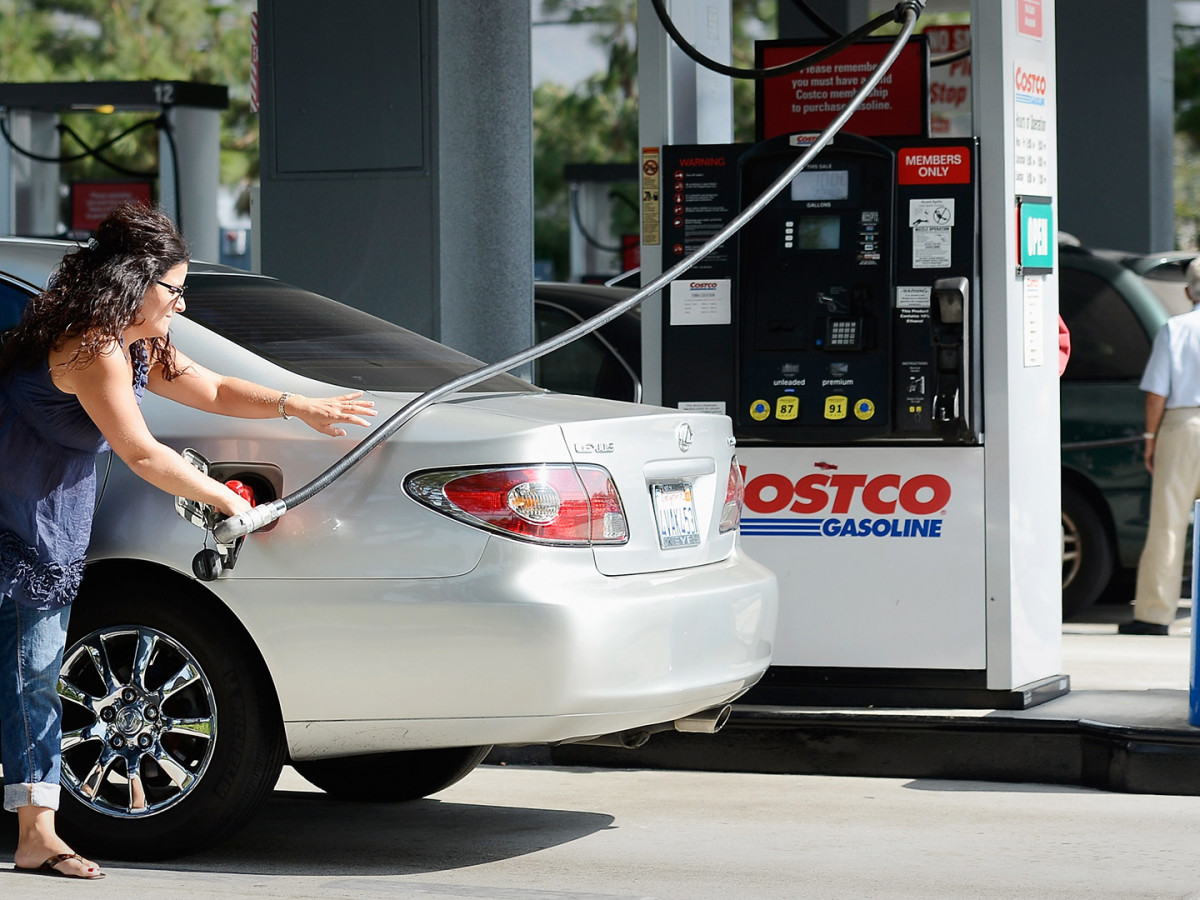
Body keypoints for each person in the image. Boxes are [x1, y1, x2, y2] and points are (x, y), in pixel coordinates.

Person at [0, 203, 376, 878]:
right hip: (13, 520)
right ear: (133, 282)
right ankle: (37, 832)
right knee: (28, 676)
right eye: (173, 288)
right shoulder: (93, 348)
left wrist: (300, 405)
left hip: (39, 526)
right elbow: (141, 453)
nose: (180, 300)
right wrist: (224, 496)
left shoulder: (138, 341)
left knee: (32, 679)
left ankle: (36, 836)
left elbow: (214, 386)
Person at [1123, 256, 1200, 636]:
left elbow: (1156, 394)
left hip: (1183, 424)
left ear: (1188, 292)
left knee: (1169, 522)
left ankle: (1154, 614)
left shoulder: (1176, 328)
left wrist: (1151, 439)